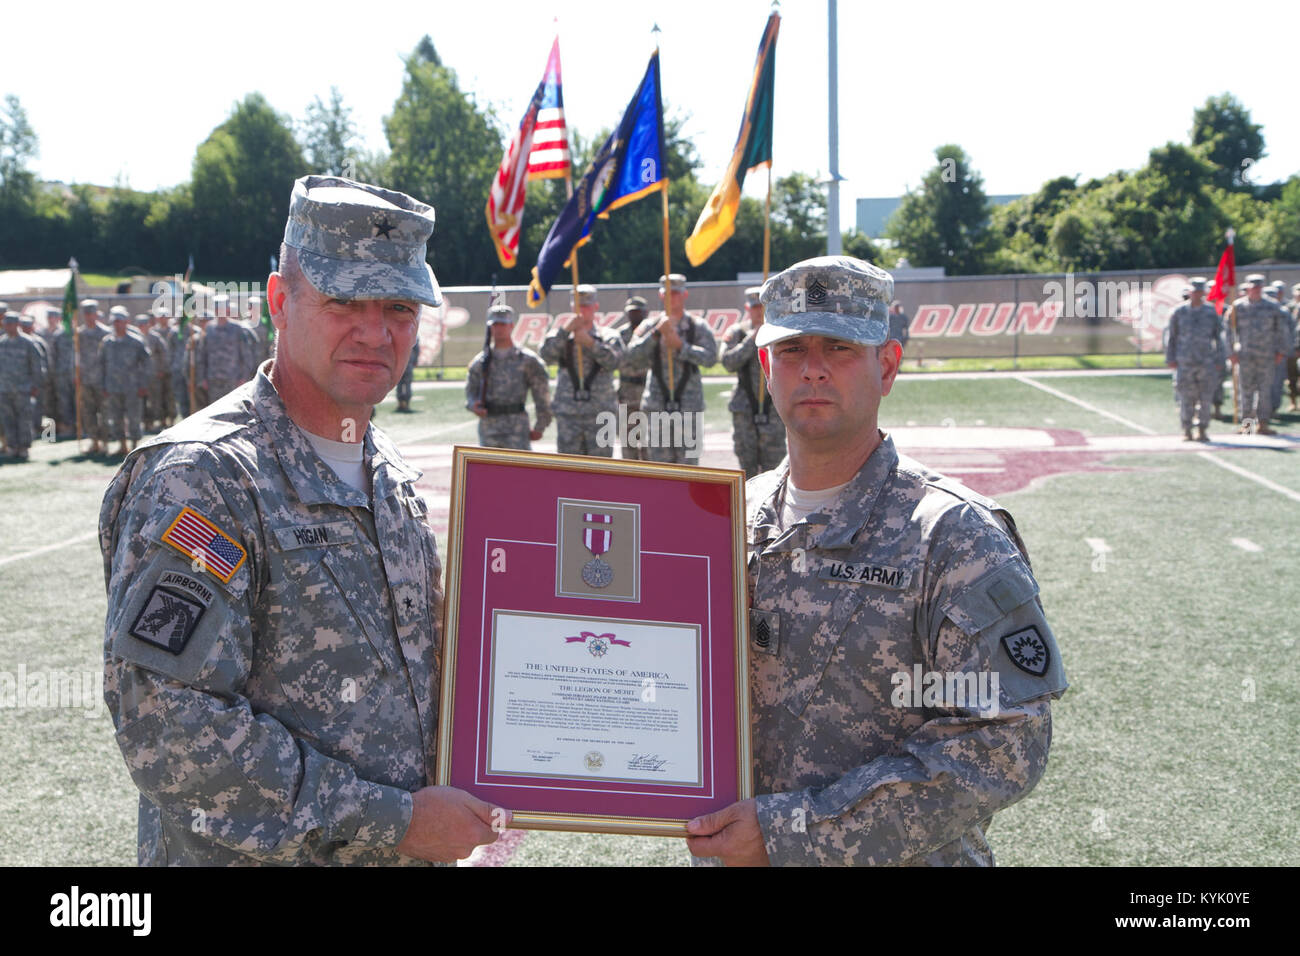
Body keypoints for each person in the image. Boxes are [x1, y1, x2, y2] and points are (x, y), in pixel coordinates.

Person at [100, 174, 505, 865]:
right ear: (279, 300)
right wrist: (395, 822)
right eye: (345, 299)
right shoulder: (206, 477)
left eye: (400, 307)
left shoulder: (388, 471)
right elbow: (170, 730)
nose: (375, 331)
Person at [685, 256, 1067, 866]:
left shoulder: (953, 534)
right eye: (790, 349)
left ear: (886, 366)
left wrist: (790, 833)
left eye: (839, 348)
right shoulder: (730, 516)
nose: (811, 369)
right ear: (765, 367)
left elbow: (1005, 741)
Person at [624, 274, 718, 463]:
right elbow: (632, 358)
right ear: (660, 295)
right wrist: (656, 334)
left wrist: (681, 346)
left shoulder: (697, 326)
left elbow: (711, 358)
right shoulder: (649, 326)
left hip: (688, 408)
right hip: (657, 406)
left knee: (689, 471)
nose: (671, 297)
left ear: (685, 294)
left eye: (675, 293)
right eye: (667, 293)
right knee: (661, 471)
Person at [539, 284, 623, 457]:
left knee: (601, 470)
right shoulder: (560, 335)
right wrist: (564, 332)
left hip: (600, 413)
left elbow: (615, 362)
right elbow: (546, 356)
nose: (582, 310)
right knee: (570, 471)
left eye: (586, 305)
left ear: (595, 307)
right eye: (578, 306)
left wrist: (591, 343)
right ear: (572, 307)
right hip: (569, 414)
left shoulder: (608, 336)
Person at [465, 303, 552, 449]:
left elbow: (542, 395)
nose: (499, 329)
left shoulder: (527, 360)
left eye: (503, 324)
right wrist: (474, 405)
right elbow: (470, 392)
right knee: (489, 470)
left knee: (519, 471)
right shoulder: (481, 362)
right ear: (490, 327)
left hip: (517, 428)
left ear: (511, 325)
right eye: (495, 325)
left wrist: (540, 425)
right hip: (489, 428)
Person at [721, 286, 786, 478]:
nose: (759, 311)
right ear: (747, 308)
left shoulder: (780, 332)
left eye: (762, 307)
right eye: (755, 307)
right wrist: (752, 339)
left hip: (773, 408)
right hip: (744, 408)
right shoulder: (737, 332)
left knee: (775, 469)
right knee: (746, 467)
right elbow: (727, 362)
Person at [1229, 274, 1289, 435]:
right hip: (1245, 356)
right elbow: (1228, 331)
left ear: (1262, 288)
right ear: (1247, 288)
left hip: (1267, 356)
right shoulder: (1238, 307)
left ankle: (1263, 423)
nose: (1256, 290)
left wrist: (1281, 351)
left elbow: (1281, 330)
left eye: (1258, 287)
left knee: (1265, 391)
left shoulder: (1272, 306)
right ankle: (1247, 425)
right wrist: (1231, 352)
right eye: (1253, 287)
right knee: (1246, 391)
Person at [1164, 277, 1221, 441]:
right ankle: (1187, 429)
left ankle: (1202, 429)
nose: (1197, 294)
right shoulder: (1178, 312)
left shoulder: (1211, 312)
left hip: (1206, 361)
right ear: (1189, 292)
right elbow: (1171, 337)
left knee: (1205, 397)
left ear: (1205, 292)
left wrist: (1219, 359)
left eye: (1200, 291)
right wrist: (1170, 358)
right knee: (1186, 397)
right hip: (1185, 361)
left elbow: (1218, 337)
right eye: (1194, 291)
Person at [99, 307, 151, 456]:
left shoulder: (136, 341)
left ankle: (134, 446)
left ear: (126, 322)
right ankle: (122, 445)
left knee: (134, 417)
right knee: (116, 417)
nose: (116, 324)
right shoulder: (107, 342)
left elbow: (147, 364)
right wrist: (103, 384)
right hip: (113, 387)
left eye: (119, 321)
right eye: (114, 321)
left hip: (132, 387)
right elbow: (102, 364)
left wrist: (143, 384)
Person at [0, 310, 46, 461]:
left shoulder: (28, 343)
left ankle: (24, 448)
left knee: (24, 419)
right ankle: (12, 446)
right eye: (5, 324)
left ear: (17, 324)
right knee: (8, 419)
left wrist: (35, 386)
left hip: (23, 389)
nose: (8, 327)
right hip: (5, 389)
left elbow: (37, 366)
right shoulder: (2, 343)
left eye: (11, 324)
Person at [200, 294, 257, 402]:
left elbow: (246, 356)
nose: (220, 311)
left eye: (222, 308)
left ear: (227, 310)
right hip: (213, 379)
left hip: (233, 379)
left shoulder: (237, 329)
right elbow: (203, 355)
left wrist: (243, 378)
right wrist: (202, 378)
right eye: (217, 309)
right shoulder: (209, 328)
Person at [614, 296, 651, 460]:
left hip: (648, 392)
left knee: (649, 443)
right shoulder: (620, 334)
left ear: (645, 312)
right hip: (627, 394)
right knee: (628, 442)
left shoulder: (651, 334)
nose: (635, 315)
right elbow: (617, 360)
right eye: (631, 312)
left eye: (638, 312)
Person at [76, 299, 110, 454]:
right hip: (85, 379)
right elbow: (75, 356)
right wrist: (76, 374)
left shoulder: (105, 333)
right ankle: (93, 441)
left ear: (96, 314)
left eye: (92, 313)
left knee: (104, 411)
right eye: (86, 314)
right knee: (88, 412)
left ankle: (105, 442)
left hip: (102, 379)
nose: (89, 316)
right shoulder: (79, 334)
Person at [395, 335, 419, 412]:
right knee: (407, 384)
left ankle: (401, 403)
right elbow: (417, 350)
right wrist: (415, 361)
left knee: (400, 384)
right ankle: (406, 403)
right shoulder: (413, 335)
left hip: (400, 363)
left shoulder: (398, 335)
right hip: (408, 363)